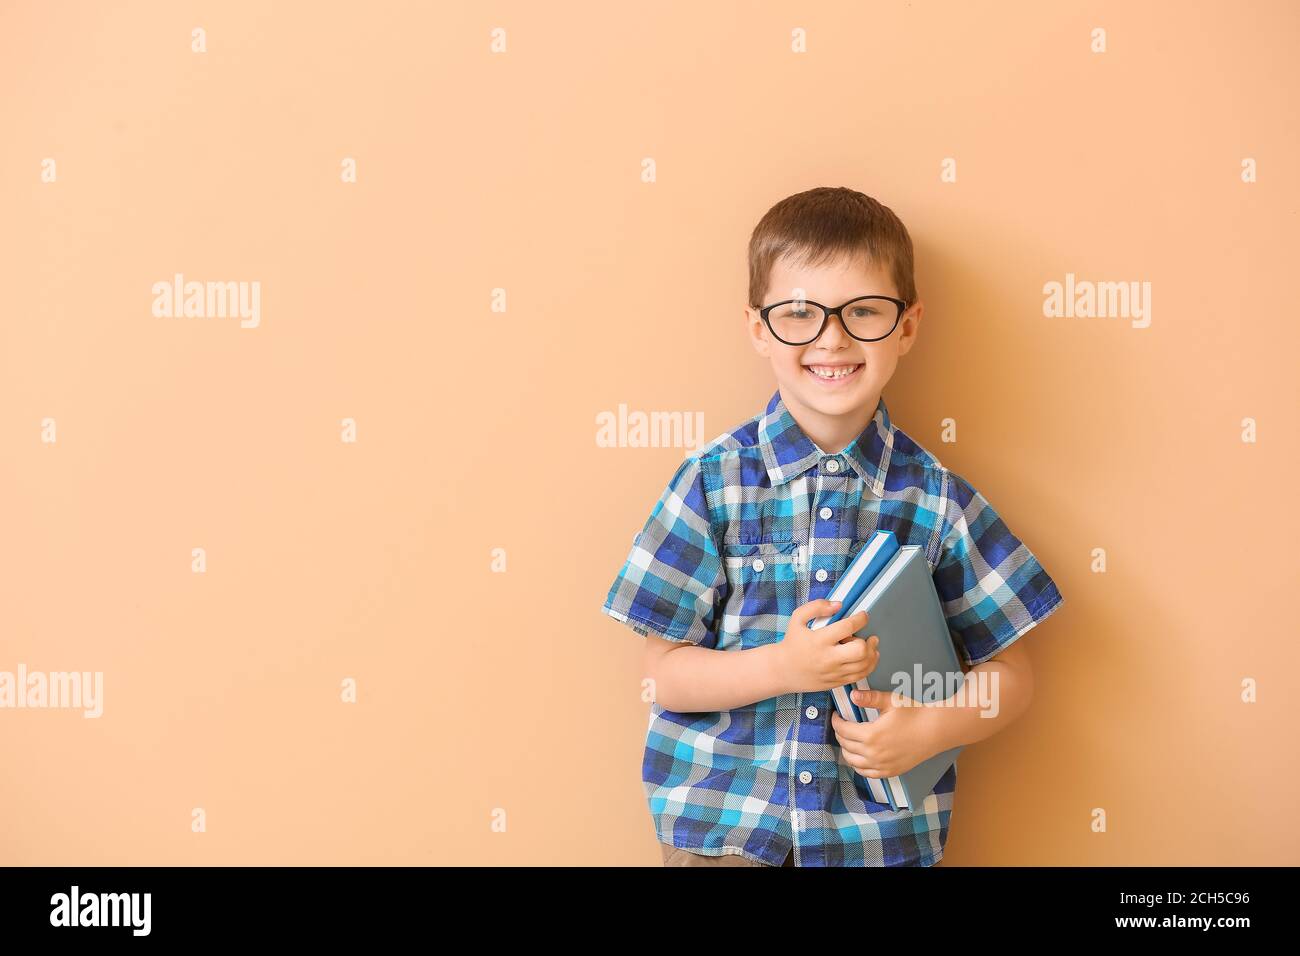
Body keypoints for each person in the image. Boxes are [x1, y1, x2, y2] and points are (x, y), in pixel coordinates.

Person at [600, 186, 1065, 867]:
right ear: (759, 329)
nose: (833, 339)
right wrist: (784, 667)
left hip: (874, 844)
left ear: (906, 327)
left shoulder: (936, 500)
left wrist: (932, 727)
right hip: (726, 835)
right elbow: (663, 677)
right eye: (800, 314)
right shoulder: (710, 482)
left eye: (864, 312)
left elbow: (1013, 677)